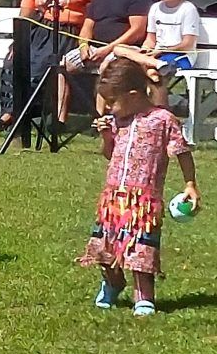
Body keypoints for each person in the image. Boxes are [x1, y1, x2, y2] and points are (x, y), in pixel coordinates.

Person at [79, 57, 200, 316]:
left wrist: (190, 184)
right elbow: (109, 154)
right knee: (106, 247)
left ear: (133, 95)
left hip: (143, 200)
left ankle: (143, 296)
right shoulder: (117, 122)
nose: (109, 109)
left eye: (112, 102)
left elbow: (182, 152)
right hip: (114, 197)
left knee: (141, 249)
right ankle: (113, 283)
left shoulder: (162, 120)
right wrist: (106, 137)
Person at [0, 0, 100, 129]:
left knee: (39, 69)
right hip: (40, 31)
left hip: (66, 33)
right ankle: (9, 112)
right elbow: (24, 16)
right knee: (13, 64)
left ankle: (17, 115)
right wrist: (16, 44)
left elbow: (104, 3)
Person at [61, 0, 152, 114]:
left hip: (123, 50)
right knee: (61, 66)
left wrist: (106, 50)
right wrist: (83, 46)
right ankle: (60, 119)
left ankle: (100, 118)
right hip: (96, 49)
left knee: (107, 67)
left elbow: (137, 31)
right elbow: (87, 27)